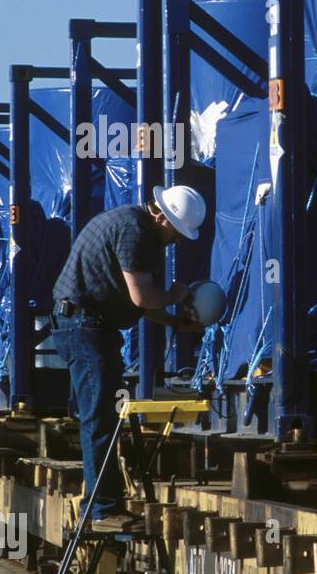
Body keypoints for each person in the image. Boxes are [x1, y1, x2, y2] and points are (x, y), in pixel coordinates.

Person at [50, 186, 206, 531]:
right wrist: (176, 295)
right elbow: (143, 296)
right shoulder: (135, 232)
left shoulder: (129, 222)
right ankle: (104, 509)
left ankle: (105, 503)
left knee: (102, 416)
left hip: (86, 324)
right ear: (161, 216)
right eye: (176, 233)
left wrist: (174, 321)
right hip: (85, 327)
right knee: (100, 419)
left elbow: (134, 302)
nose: (176, 242)